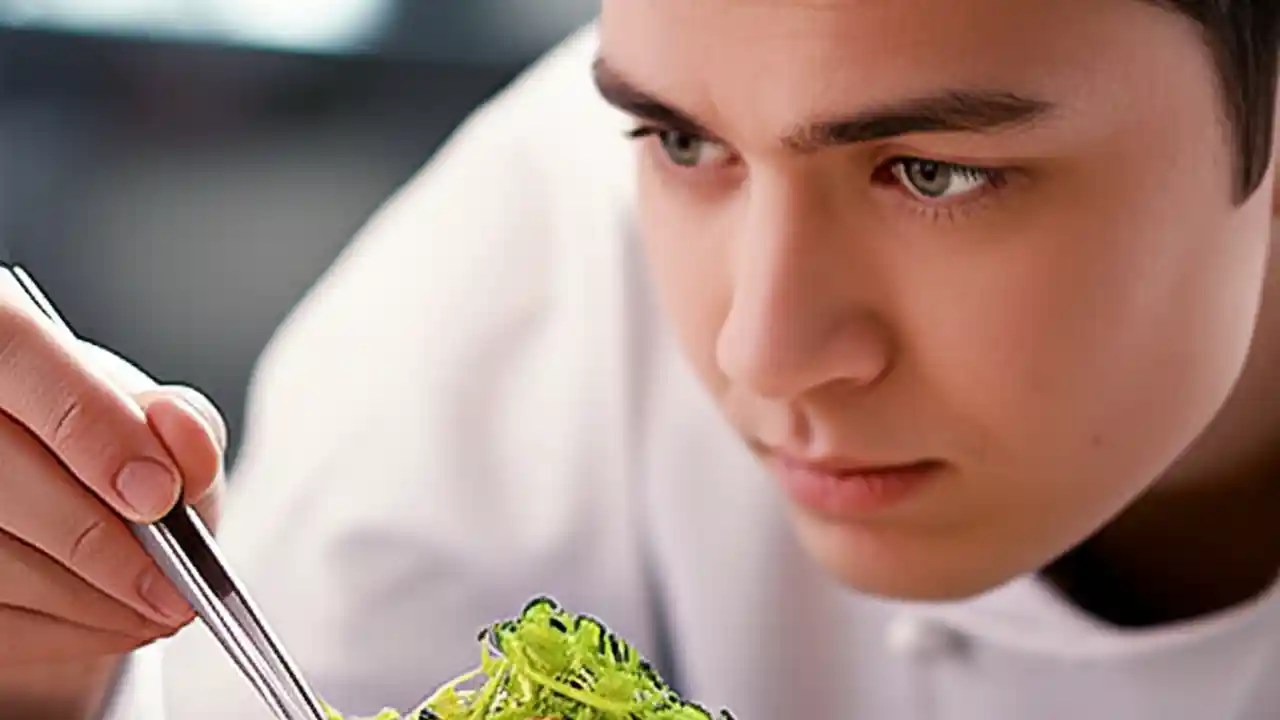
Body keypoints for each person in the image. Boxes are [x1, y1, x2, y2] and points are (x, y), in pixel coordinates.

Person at [1, 2, 1278, 718]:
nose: (759, 353)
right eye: (678, 143)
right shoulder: (543, 237)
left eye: (933, 172)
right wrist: (51, 681)